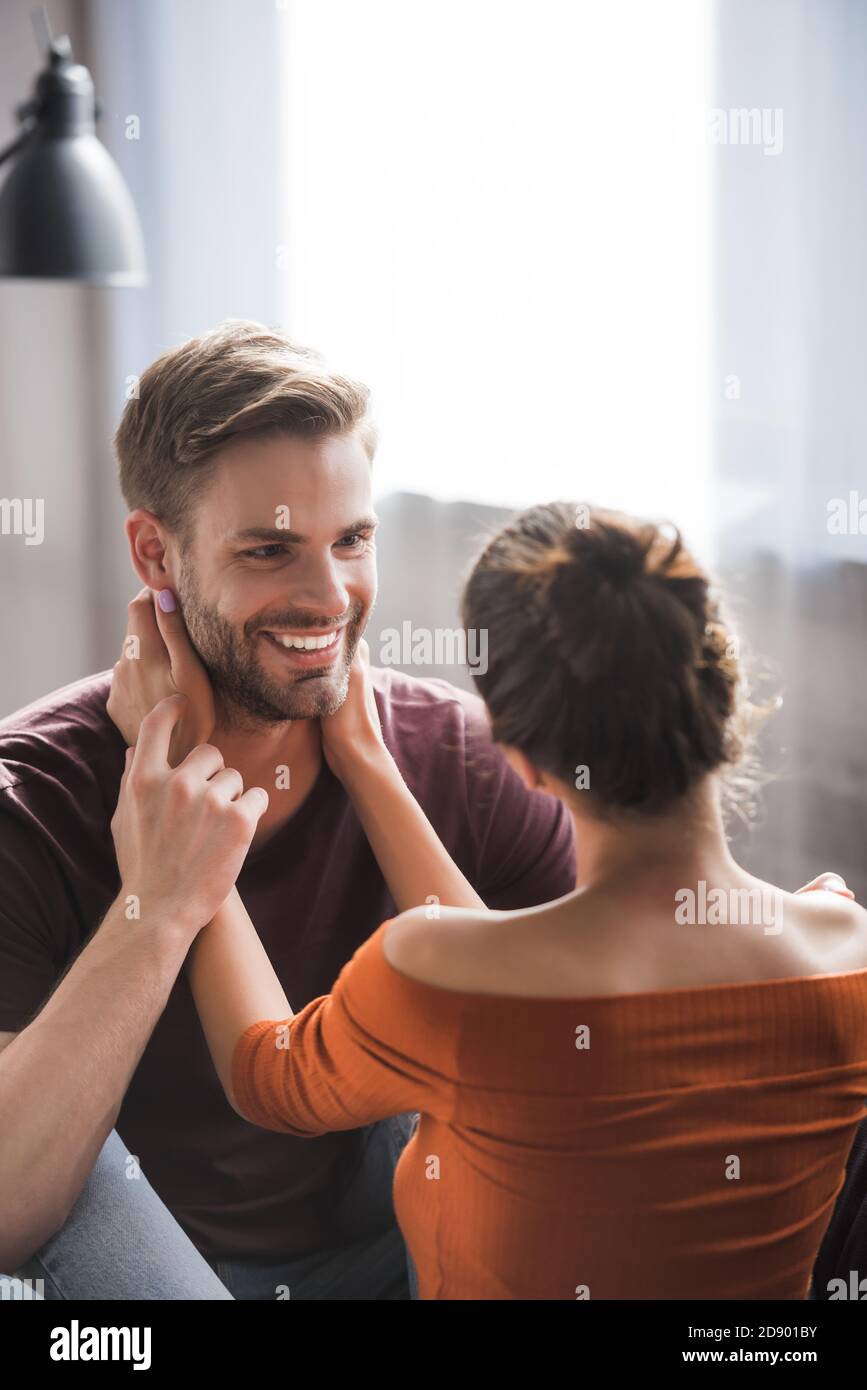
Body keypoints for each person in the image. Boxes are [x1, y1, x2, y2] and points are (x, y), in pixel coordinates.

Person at [107, 502, 867, 1300]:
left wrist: (185, 820)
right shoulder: (845, 949)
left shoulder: (436, 976)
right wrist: (367, 758)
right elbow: (516, 993)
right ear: (725, 701)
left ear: (518, 755)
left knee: (71, 1169)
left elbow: (267, 1075)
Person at [0, 321, 576, 1300]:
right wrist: (162, 900)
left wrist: (370, 766)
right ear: (155, 553)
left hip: (396, 1244)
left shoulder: (467, 760)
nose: (329, 598)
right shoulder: (33, 803)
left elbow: (572, 1086)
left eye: (351, 540)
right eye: (270, 549)